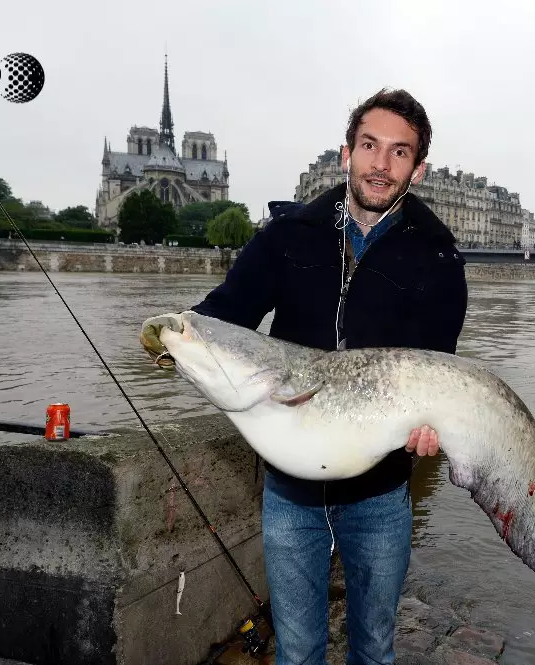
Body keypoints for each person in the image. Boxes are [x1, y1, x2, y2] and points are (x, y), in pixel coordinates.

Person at [142, 88, 467, 665]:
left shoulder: (439, 258)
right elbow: (228, 311)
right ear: (347, 153)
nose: (380, 163)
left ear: (417, 169)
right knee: (297, 653)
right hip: (289, 491)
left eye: (399, 153)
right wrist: (180, 334)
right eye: (370, 146)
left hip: (382, 490)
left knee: (374, 649)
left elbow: (433, 371)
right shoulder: (288, 234)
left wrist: (429, 431)